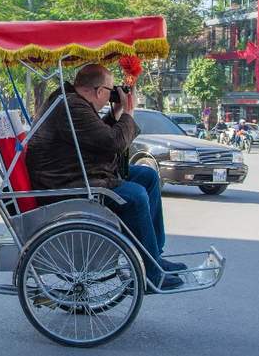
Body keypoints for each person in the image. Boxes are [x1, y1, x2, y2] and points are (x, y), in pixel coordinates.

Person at [25, 64, 185, 290]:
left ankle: (153, 256)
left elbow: (96, 136)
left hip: (77, 174)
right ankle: (150, 273)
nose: (112, 95)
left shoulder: (71, 102)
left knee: (148, 177)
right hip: (67, 184)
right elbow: (113, 143)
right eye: (111, 91)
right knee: (135, 196)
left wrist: (116, 112)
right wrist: (128, 113)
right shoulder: (72, 107)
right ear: (99, 91)